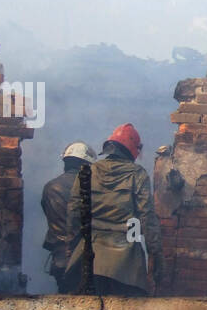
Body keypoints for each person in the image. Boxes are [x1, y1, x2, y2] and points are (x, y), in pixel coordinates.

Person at [64, 123, 164, 296]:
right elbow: (147, 216)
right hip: (126, 263)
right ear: (132, 149)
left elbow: (74, 210)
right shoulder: (137, 174)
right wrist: (155, 252)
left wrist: (71, 246)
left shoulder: (88, 170)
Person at [41, 142, 96, 293]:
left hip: (60, 258)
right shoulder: (92, 187)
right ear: (86, 164)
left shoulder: (50, 187)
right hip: (85, 258)